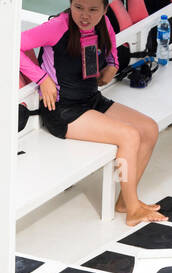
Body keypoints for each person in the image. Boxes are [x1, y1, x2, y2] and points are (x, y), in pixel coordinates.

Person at [21, 1, 165, 226]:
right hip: (63, 111)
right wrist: (42, 79)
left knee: (149, 128)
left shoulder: (103, 23)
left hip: (91, 100)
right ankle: (133, 208)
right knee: (129, 136)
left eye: (93, 10)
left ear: (105, 10)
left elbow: (112, 46)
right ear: (70, 4)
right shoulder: (57, 27)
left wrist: (112, 65)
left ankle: (125, 202)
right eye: (78, 7)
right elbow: (11, 46)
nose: (85, 16)